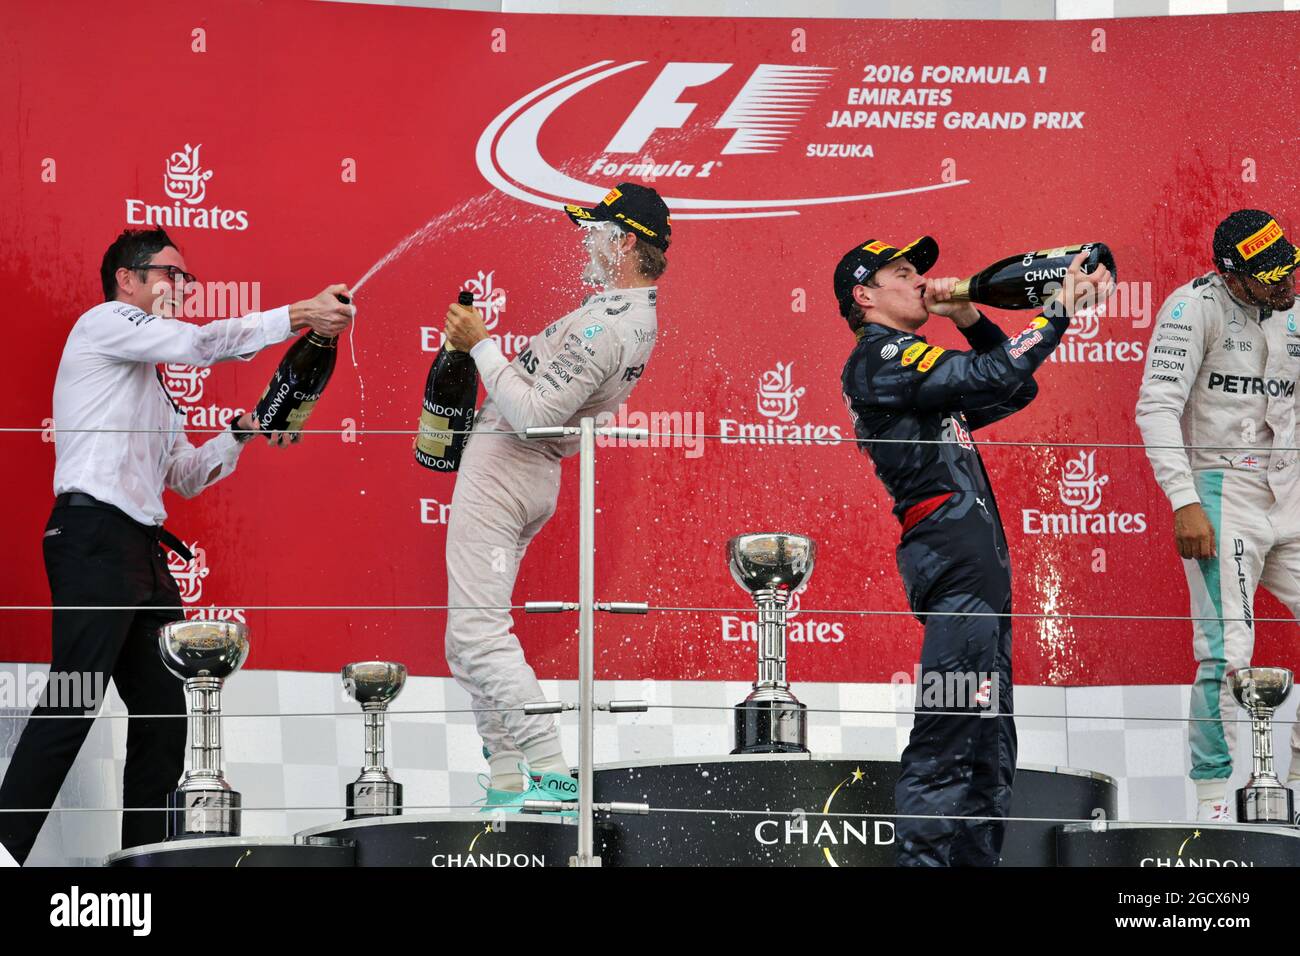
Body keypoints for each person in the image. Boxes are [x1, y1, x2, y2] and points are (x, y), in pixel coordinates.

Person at [0, 227, 354, 866]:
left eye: (186, 278)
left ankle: (142, 862)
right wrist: (301, 314)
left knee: (164, 715)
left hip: (142, 551)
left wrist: (243, 431)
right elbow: (200, 343)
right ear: (127, 281)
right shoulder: (103, 323)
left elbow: (185, 475)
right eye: (169, 274)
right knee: (75, 696)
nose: (181, 287)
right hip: (92, 536)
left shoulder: (156, 387)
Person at [838, 235, 1110, 866]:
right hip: (955, 570)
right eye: (902, 274)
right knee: (948, 738)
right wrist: (1058, 308)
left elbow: (1014, 391)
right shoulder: (880, 358)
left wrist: (968, 316)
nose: (919, 282)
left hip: (976, 573)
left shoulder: (915, 369)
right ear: (865, 296)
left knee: (987, 751)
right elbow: (997, 371)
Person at [440, 183, 668, 811]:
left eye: (596, 232)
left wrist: (479, 343)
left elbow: (533, 415)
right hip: (530, 475)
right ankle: (511, 778)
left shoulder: (605, 323)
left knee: (479, 636)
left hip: (509, 465)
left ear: (624, 242)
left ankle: (550, 775)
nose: (585, 242)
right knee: (466, 638)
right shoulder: (635, 316)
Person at [1135, 209, 1300, 823]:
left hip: (1291, 487)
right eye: (1269, 276)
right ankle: (1214, 809)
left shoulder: (1294, 305)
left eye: (1289, 266)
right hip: (1222, 490)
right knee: (1228, 650)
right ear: (1231, 276)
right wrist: (1185, 502)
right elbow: (1156, 407)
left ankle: (1292, 789)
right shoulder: (1191, 307)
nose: (1285, 283)